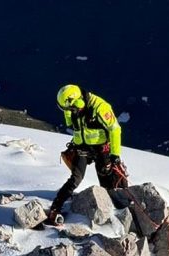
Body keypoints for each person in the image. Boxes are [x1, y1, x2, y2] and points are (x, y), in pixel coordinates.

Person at [46, 84, 128, 225]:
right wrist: (68, 111)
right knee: (76, 178)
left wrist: (115, 155)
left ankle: (120, 211)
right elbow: (70, 121)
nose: (69, 111)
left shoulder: (100, 107)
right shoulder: (72, 106)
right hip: (82, 147)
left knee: (107, 182)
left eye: (70, 108)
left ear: (77, 101)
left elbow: (115, 129)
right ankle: (55, 208)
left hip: (101, 149)